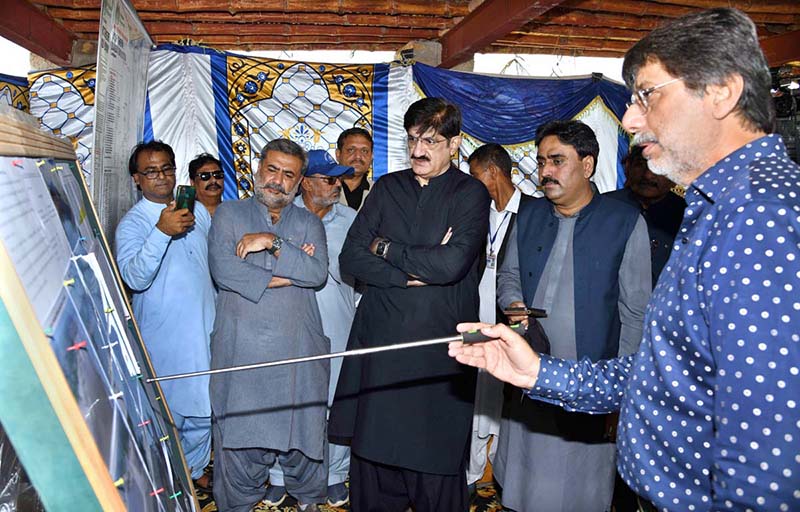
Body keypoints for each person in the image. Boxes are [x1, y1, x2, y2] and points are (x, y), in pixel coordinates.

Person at [448, 8, 800, 511]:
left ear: (721, 90)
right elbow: (662, 372)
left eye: (648, 95)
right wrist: (538, 374)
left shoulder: (760, 219)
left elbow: (766, 462)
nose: (631, 120)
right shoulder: (721, 207)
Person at [329, 97, 490, 511]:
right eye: (413, 139)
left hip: (439, 358)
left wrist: (383, 246)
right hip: (381, 350)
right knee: (374, 469)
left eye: (432, 141)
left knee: (435, 469)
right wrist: (410, 273)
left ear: (455, 144)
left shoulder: (470, 193)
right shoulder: (387, 187)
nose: (418, 151)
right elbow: (350, 258)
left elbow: (452, 263)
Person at [494, 119, 652, 512]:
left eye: (557, 161)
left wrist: (623, 392)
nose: (545, 171)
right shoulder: (528, 216)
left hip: (592, 379)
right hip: (529, 368)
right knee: (523, 477)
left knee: (577, 489)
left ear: (587, 165)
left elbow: (636, 315)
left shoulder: (624, 222)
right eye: (542, 161)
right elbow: (509, 276)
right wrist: (513, 306)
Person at [208, 138, 329, 512]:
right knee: (239, 445)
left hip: (297, 355)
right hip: (242, 353)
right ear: (258, 169)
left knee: (305, 444)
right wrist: (290, 271)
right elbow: (225, 270)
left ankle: (309, 501)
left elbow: (317, 273)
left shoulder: (309, 222)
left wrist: (272, 244)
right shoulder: (228, 214)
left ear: (299, 182)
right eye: (272, 169)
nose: (277, 180)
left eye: (288, 174)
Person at [115, 141, 214, 489]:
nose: (161, 177)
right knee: (168, 410)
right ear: (137, 179)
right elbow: (134, 277)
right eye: (152, 171)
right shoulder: (132, 224)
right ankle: (168, 475)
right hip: (164, 337)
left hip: (204, 328)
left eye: (167, 168)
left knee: (204, 404)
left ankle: (197, 467)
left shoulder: (198, 211)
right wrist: (161, 231)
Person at [265, 150, 358, 508]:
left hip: (337, 324)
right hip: (287, 324)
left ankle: (335, 474)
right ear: (305, 182)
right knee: (284, 400)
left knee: (336, 401)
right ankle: (278, 475)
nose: (337, 185)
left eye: (338, 179)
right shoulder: (279, 217)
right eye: (329, 179)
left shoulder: (351, 220)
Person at [465, 143, 522, 493]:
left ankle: (501, 469)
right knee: (475, 386)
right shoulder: (475, 210)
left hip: (507, 318)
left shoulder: (533, 211)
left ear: (492, 172)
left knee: (507, 390)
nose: (473, 184)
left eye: (475, 176)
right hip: (473, 314)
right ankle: (470, 471)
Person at [605, 145, 686, 287]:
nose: (648, 175)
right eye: (641, 165)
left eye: (659, 166)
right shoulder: (601, 209)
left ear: (675, 174)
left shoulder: (689, 217)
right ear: (627, 167)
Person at [336, 127, 373, 211]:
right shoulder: (323, 189)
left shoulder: (379, 192)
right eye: (351, 150)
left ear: (371, 156)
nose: (358, 156)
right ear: (338, 154)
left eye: (364, 151)